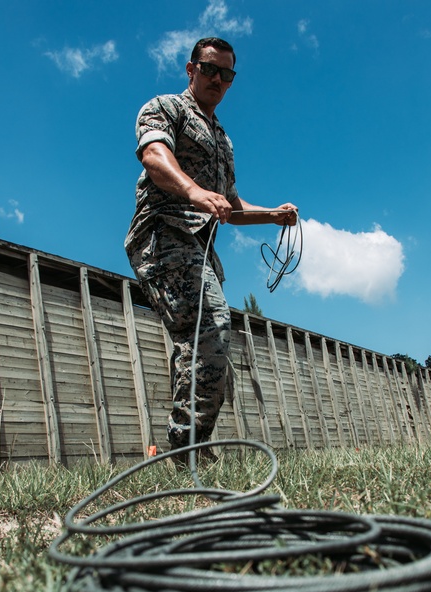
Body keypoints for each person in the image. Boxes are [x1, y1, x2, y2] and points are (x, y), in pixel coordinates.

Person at [125, 36, 297, 453]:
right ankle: (184, 449)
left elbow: (230, 205)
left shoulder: (222, 139)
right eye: (209, 69)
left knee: (205, 345)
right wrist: (192, 191)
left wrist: (272, 214)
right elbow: (153, 155)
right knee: (210, 330)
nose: (217, 79)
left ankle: (187, 447)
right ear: (191, 69)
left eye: (227, 74)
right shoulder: (166, 108)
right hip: (164, 237)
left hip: (200, 250)